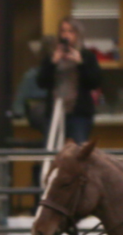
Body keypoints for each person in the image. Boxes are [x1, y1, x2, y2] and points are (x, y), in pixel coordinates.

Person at [37, 17, 102, 145]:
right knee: (53, 150)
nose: (66, 35)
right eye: (63, 31)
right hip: (55, 112)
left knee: (78, 152)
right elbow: (41, 83)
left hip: (79, 114)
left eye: (71, 31)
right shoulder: (52, 56)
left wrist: (80, 64)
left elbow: (94, 83)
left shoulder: (87, 56)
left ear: (78, 35)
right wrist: (52, 63)